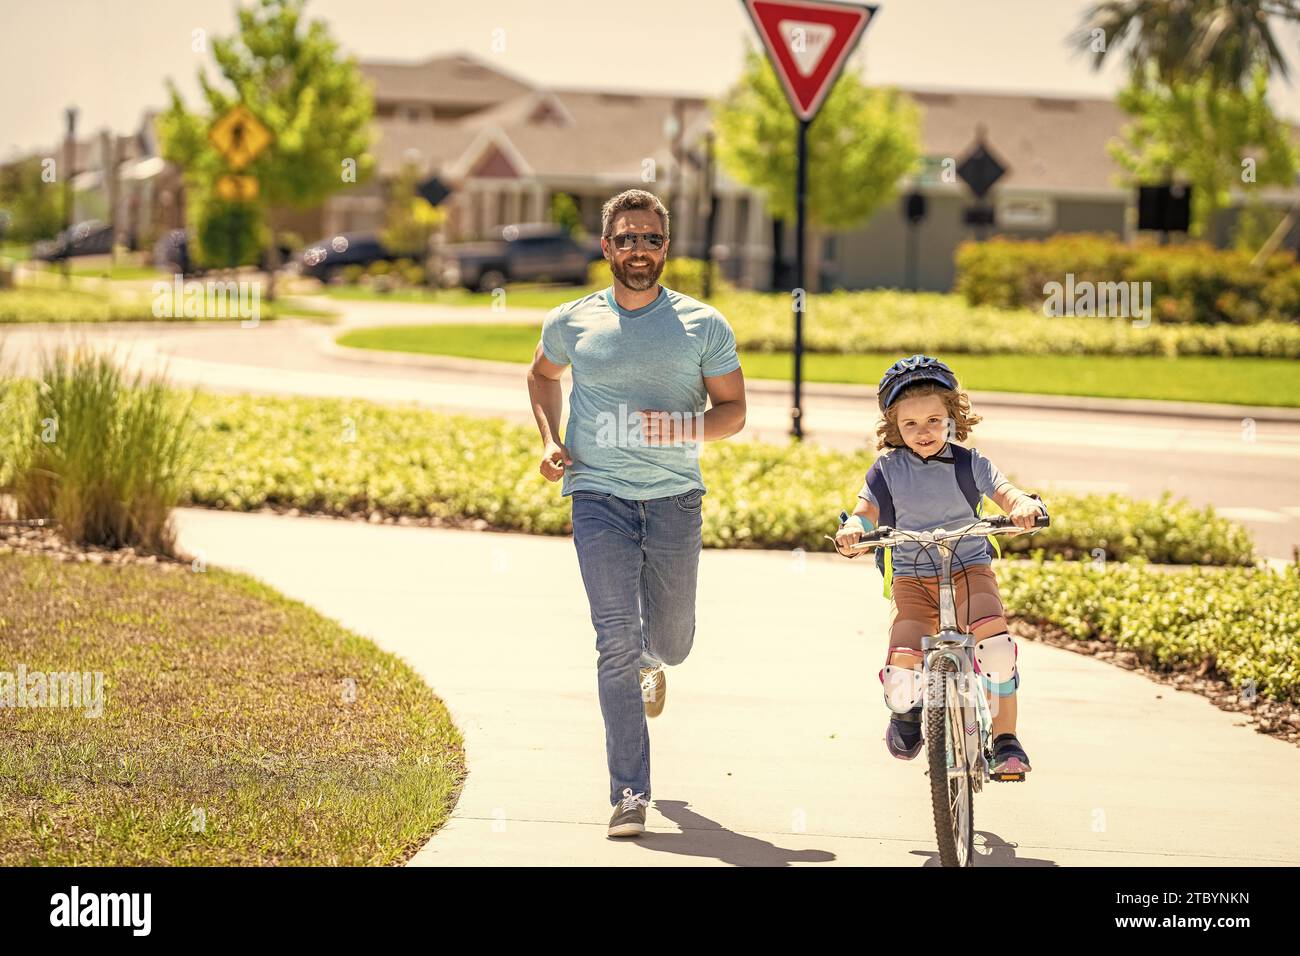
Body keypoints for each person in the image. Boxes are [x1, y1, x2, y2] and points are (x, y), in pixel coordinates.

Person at [525, 188, 747, 837]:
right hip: (597, 497)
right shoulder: (572, 321)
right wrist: (549, 439)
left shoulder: (704, 325)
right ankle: (629, 790)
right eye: (626, 238)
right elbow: (541, 377)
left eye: (650, 238)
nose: (638, 250)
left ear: (666, 247)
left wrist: (683, 428)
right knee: (612, 641)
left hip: (675, 499)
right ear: (606, 247)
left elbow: (733, 412)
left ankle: (654, 659)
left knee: (672, 642)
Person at [833, 355, 1043, 777]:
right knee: (902, 664)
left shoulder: (971, 463)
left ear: (953, 416)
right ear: (894, 428)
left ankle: (1005, 741)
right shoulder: (887, 469)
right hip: (913, 578)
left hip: (968, 567)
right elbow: (864, 512)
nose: (923, 432)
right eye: (909, 424)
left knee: (996, 648)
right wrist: (854, 530)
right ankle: (908, 713)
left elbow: (1006, 492)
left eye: (933, 420)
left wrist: (1022, 506)